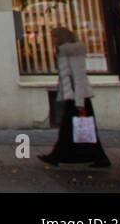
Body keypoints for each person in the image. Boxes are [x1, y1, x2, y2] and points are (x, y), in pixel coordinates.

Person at [40, 26, 111, 168]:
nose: (53, 40)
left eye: (55, 37)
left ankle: (59, 156)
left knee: (73, 128)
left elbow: (77, 76)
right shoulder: (66, 50)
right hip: (73, 95)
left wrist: (79, 102)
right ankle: (63, 155)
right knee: (74, 128)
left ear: (62, 37)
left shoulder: (71, 51)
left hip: (77, 96)